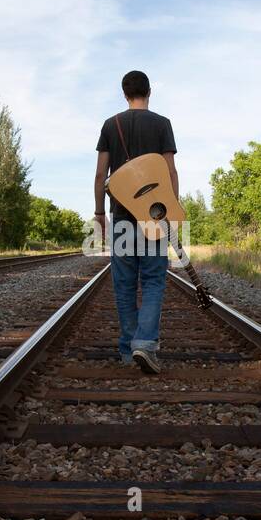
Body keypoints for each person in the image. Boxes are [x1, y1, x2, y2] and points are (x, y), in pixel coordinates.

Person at [93, 70, 178, 374]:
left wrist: (99, 212)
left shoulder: (109, 125)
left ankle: (129, 350)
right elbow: (170, 172)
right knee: (154, 281)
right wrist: (171, 213)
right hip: (155, 218)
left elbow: (101, 175)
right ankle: (145, 343)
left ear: (124, 93)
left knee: (125, 284)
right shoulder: (162, 124)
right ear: (149, 91)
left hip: (121, 218)